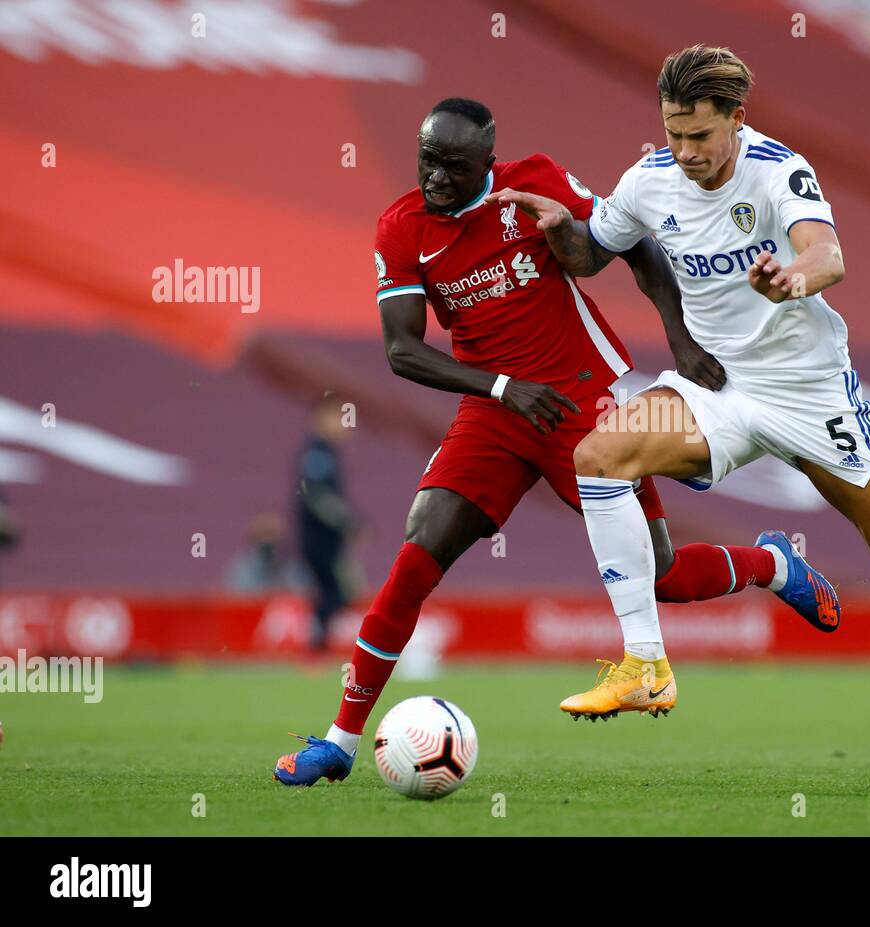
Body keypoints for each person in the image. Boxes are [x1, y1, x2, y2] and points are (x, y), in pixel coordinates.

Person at [492, 47, 870, 791]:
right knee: (599, 458)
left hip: (809, 391)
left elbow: (826, 253)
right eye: (673, 133)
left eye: (700, 135)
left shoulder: (778, 170)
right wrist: (558, 229)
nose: (685, 151)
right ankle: (646, 662)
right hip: (718, 389)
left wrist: (791, 277)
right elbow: (593, 250)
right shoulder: (649, 181)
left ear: (736, 119)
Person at [274, 98, 840, 787]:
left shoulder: (534, 180)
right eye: (428, 162)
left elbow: (633, 243)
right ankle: (340, 740)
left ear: (489, 161)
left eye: (455, 166)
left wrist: (681, 340)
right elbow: (401, 351)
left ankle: (770, 564)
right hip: (494, 409)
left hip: (582, 400)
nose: (438, 178)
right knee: (417, 551)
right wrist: (503, 388)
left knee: (660, 576)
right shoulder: (402, 228)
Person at [295, 395, 360, 651]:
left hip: (325, 540)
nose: (345, 425)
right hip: (319, 540)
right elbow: (317, 497)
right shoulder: (318, 453)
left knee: (334, 592)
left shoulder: (324, 452)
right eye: (340, 418)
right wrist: (348, 523)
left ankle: (318, 643)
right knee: (335, 592)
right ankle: (315, 643)